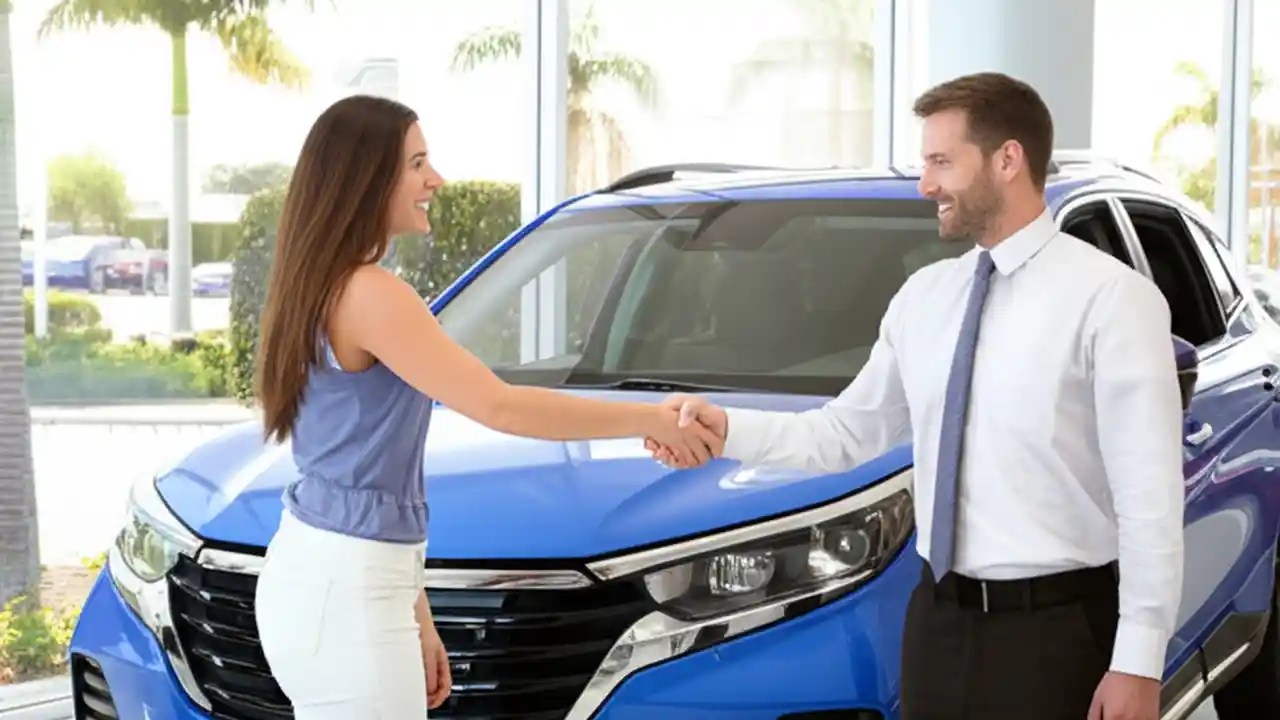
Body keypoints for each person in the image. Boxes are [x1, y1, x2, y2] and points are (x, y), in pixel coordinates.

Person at [648, 72, 1184, 720]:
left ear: (1007, 159)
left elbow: (1150, 499)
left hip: (1058, 632)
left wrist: (1138, 661)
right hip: (935, 623)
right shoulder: (925, 298)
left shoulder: (1112, 301)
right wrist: (722, 429)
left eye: (940, 161)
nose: (925, 183)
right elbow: (845, 433)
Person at [249, 94, 717, 719]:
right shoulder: (371, 295)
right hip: (349, 595)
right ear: (366, 178)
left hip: (331, 577)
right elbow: (501, 406)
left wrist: (416, 612)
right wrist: (651, 419)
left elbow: (366, 481)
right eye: (416, 164)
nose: (434, 180)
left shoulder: (323, 284)